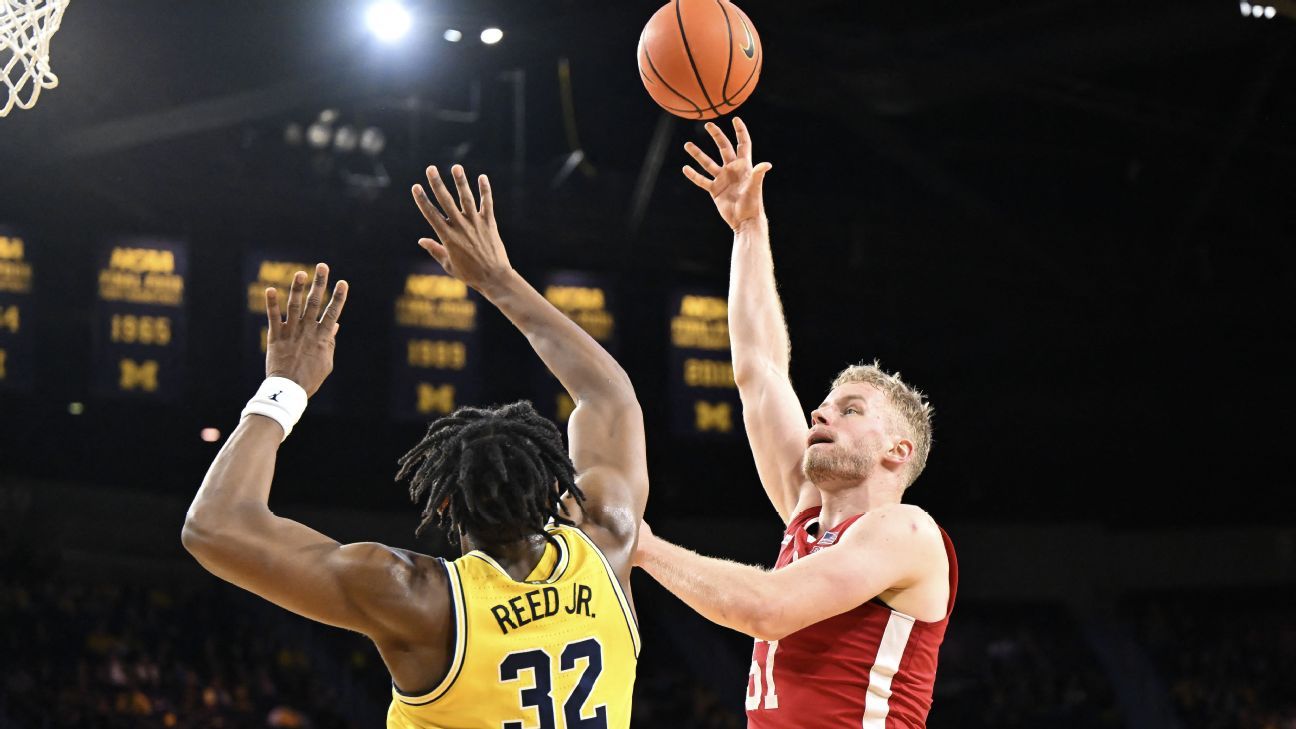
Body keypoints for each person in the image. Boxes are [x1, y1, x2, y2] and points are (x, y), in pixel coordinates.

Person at [182, 164, 647, 728]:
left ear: (444, 503)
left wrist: (285, 387)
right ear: (556, 487)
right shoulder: (608, 542)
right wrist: (499, 279)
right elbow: (609, 396)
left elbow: (214, 527)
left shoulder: (418, 599)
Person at [633, 118, 957, 728]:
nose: (821, 412)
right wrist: (747, 229)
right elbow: (759, 370)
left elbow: (768, 610)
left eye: (850, 409)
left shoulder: (908, 531)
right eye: (825, 405)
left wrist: (644, 546)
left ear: (897, 449)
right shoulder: (808, 519)